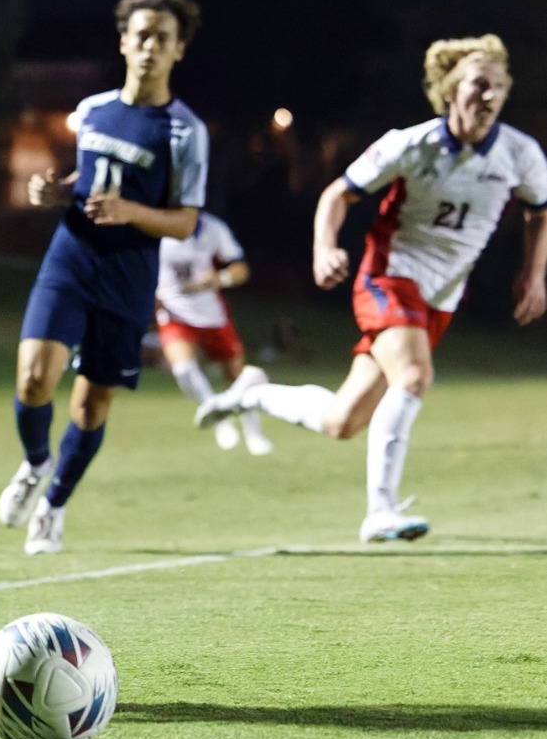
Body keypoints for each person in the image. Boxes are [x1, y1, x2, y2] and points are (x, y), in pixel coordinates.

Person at [198, 36, 546, 543]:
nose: (489, 96)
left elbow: (539, 212)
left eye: (497, 87)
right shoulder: (410, 144)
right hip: (390, 275)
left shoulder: (521, 154)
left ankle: (254, 394)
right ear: (451, 91)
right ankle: (379, 511)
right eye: (478, 85)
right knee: (414, 376)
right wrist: (324, 249)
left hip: (442, 294)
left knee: (343, 420)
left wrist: (534, 273)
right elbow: (338, 193)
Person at [0, 0, 208, 554]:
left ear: (177, 51)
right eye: (140, 35)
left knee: (91, 405)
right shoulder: (93, 111)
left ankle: (54, 506)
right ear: (123, 41)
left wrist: (133, 213)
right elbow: (83, 184)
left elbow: (187, 223)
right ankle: (36, 462)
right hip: (71, 258)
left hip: (127, 275)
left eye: (162, 38)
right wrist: (52, 192)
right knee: (32, 378)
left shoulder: (184, 131)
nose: (149, 47)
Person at [156, 211, 271, 454]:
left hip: (210, 312)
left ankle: (254, 431)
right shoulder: (155, 224)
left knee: (238, 376)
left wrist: (219, 278)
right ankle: (219, 418)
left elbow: (240, 269)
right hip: (173, 310)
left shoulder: (212, 228)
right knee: (183, 369)